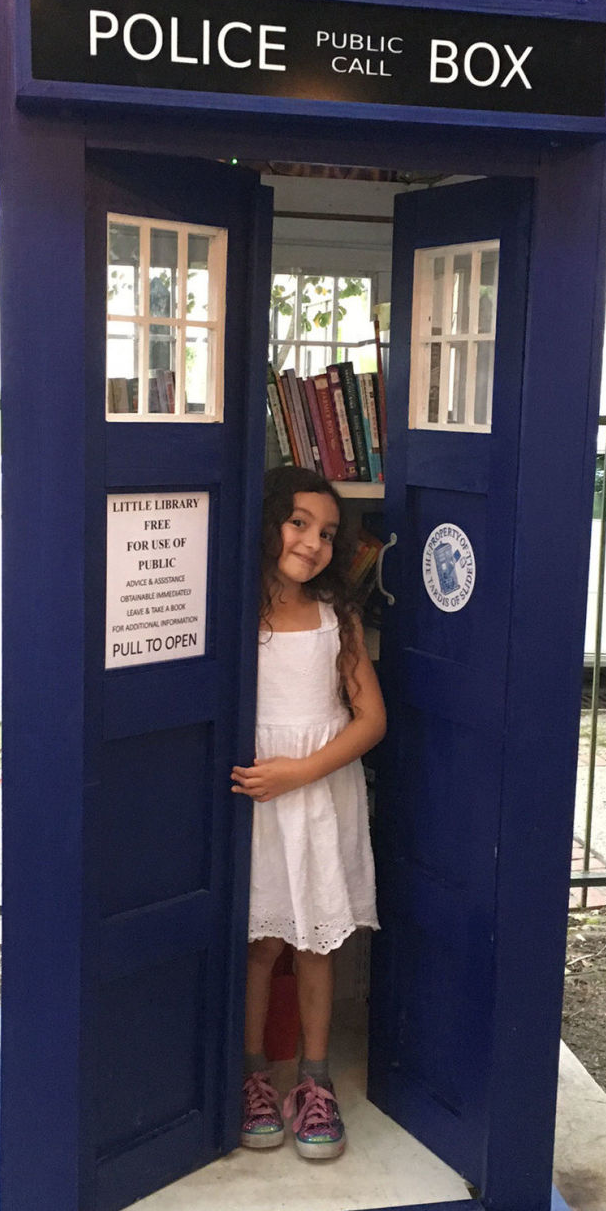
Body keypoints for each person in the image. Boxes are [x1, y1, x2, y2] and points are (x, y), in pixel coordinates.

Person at [231, 465, 386, 1160]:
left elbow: (370, 719)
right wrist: (277, 775)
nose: (314, 542)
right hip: (259, 800)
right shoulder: (234, 613)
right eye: (299, 523)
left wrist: (301, 770)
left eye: (327, 532)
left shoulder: (337, 618)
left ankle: (314, 1081)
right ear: (268, 522)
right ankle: (252, 1075)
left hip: (318, 795)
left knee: (318, 942)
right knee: (261, 945)